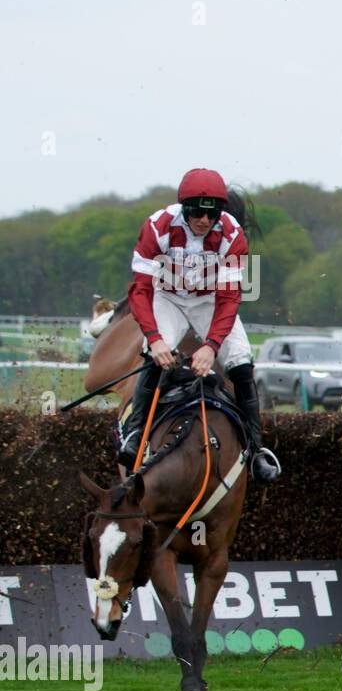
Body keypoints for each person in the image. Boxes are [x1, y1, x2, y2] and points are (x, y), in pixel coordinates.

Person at [118, 168, 281, 482]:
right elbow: (140, 290)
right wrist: (154, 339)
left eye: (212, 213)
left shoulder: (232, 235)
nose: (204, 220)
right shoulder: (157, 227)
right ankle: (135, 434)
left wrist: (212, 346)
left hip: (210, 302)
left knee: (241, 363)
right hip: (169, 298)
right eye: (197, 212)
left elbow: (230, 298)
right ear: (183, 207)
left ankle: (257, 451)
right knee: (153, 357)